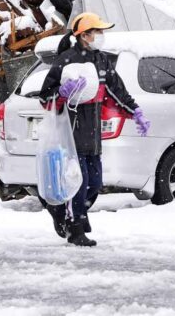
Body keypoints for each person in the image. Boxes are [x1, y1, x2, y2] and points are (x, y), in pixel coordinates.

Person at [39, 12, 151, 246]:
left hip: (93, 132)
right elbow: (45, 97)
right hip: (70, 132)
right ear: (84, 35)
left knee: (95, 183)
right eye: (97, 32)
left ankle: (60, 209)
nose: (101, 36)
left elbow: (117, 91)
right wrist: (61, 93)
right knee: (77, 182)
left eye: (102, 32)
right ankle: (75, 228)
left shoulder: (101, 61)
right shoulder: (65, 61)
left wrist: (135, 112)